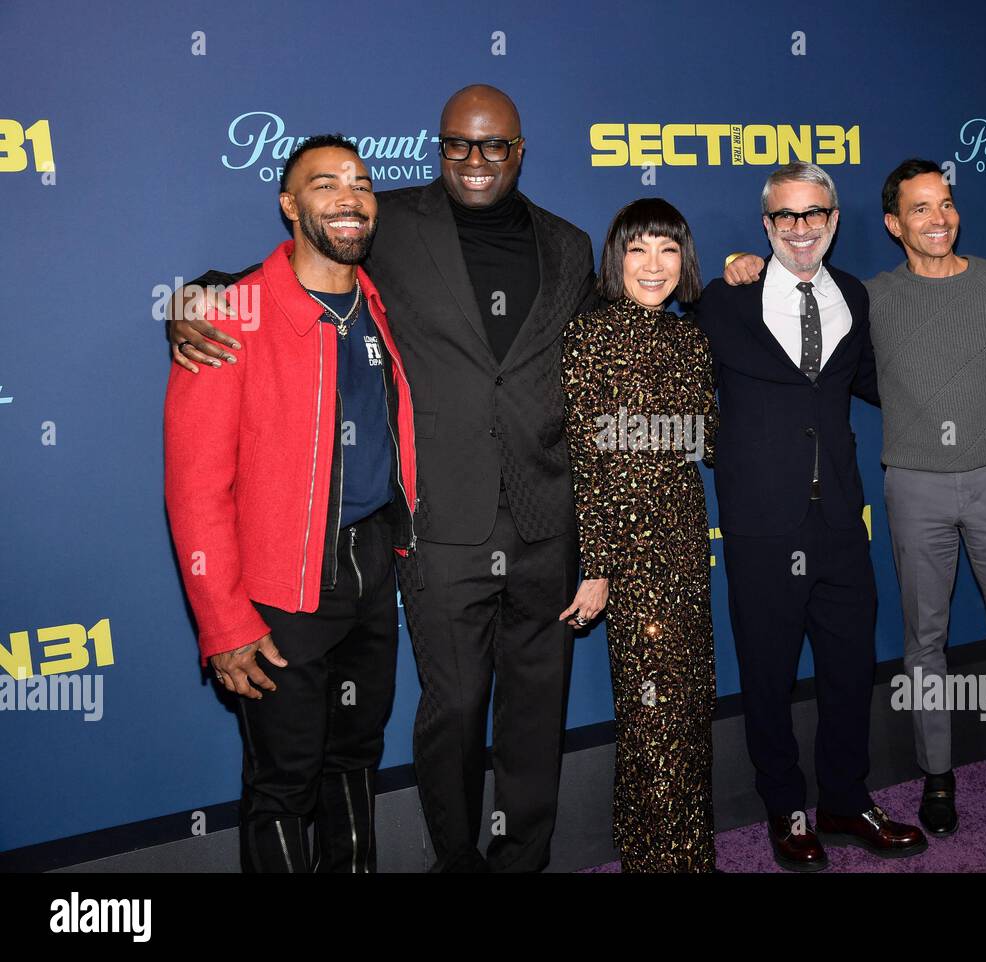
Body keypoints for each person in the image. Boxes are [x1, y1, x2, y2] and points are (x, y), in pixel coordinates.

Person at [167, 86, 600, 873]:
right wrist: (195, 298)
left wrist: (727, 281)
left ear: (520, 151)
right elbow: (299, 263)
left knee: (533, 716)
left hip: (542, 519)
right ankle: (457, 859)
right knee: (453, 711)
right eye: (458, 146)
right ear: (440, 149)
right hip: (437, 524)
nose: (475, 161)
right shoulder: (387, 221)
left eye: (493, 146)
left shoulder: (570, 247)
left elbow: (612, 341)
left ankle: (521, 859)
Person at [726, 158, 986, 839]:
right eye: (920, 208)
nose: (938, 217)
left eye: (945, 203)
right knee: (925, 642)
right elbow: (800, 297)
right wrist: (744, 261)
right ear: (893, 224)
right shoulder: (869, 298)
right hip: (912, 487)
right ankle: (936, 777)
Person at [163, 135, 418, 872]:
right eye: (325, 184)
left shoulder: (378, 301)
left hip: (371, 570)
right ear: (287, 204)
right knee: (283, 779)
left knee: (354, 761)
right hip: (278, 589)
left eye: (362, 184)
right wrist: (223, 623)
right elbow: (193, 487)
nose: (349, 197)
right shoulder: (227, 316)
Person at [697, 162, 927, 872]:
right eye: (785, 216)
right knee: (767, 676)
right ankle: (785, 808)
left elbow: (881, 385)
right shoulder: (722, 301)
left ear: (833, 220)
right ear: (766, 226)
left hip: (839, 525)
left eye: (814, 214)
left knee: (849, 670)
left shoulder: (856, 297)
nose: (801, 227)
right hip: (761, 524)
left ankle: (846, 800)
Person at [561, 198, 718, 873]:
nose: (653, 265)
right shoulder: (589, 337)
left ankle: (665, 852)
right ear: (615, 259)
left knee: (687, 711)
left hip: (685, 545)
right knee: (652, 719)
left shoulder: (691, 340)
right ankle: (670, 861)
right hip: (627, 561)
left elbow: (709, 440)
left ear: (684, 261)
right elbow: (584, 459)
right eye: (638, 249)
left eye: (668, 249)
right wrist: (596, 565)